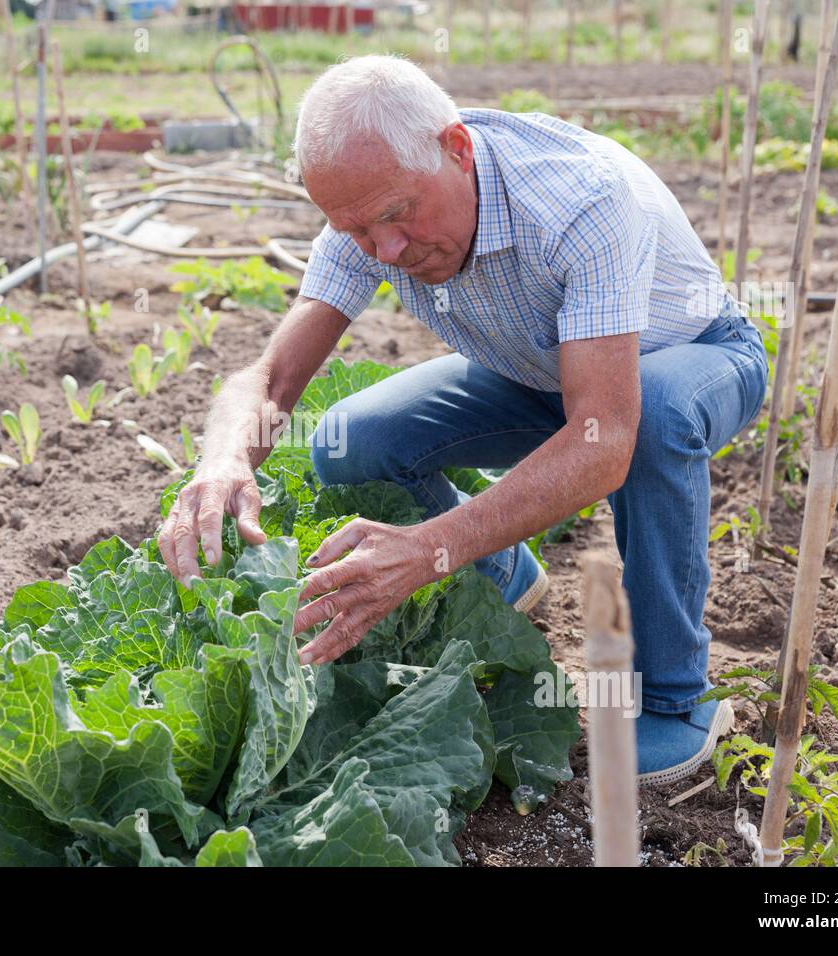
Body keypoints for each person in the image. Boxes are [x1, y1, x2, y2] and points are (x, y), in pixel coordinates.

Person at [157, 55, 768, 787]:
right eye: (353, 229)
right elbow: (271, 376)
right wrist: (221, 459)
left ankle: (674, 699)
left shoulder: (581, 201)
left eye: (394, 215)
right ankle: (504, 575)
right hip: (538, 374)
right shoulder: (370, 216)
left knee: (658, 416)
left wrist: (427, 550)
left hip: (689, 359)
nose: (385, 251)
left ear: (457, 148)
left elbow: (605, 438)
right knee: (356, 443)